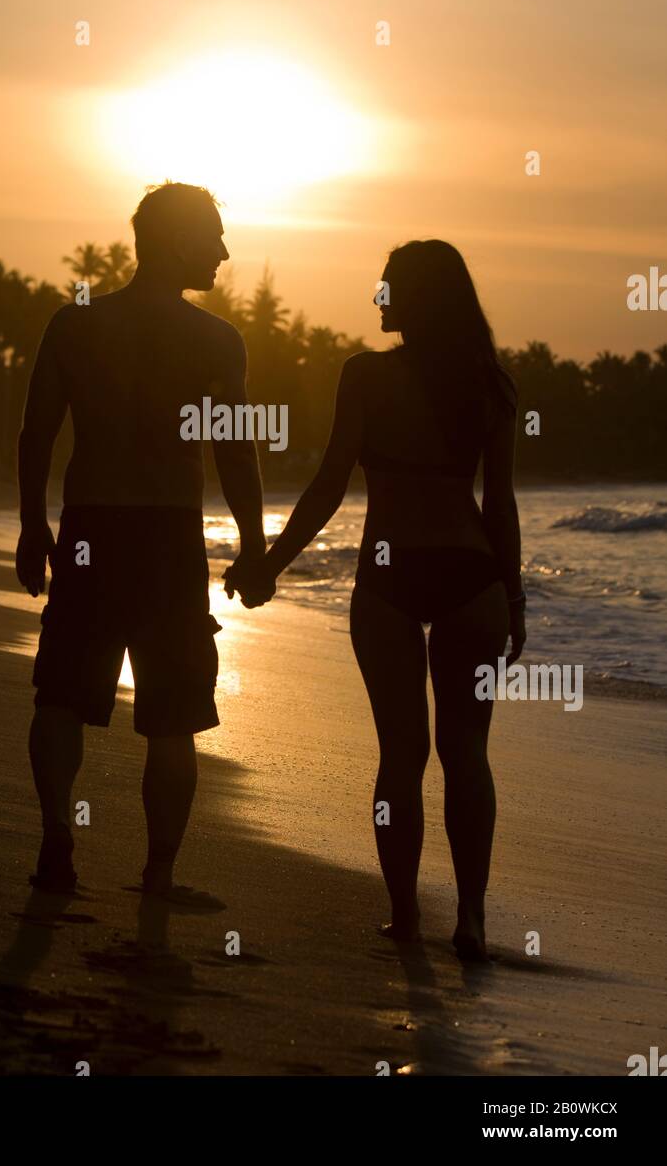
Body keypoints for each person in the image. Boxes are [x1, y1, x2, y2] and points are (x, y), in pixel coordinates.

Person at [226, 239, 525, 961]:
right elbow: (501, 504)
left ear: (418, 296)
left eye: (387, 286)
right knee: (467, 753)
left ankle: (404, 916)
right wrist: (512, 595)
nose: (377, 297)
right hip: (471, 575)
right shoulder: (491, 383)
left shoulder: (364, 377)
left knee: (402, 756)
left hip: (390, 578)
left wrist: (270, 564)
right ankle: (472, 920)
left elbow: (330, 485)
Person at [16, 182, 267, 899]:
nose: (223, 251)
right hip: (166, 541)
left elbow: (38, 434)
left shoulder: (76, 324)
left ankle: (57, 835)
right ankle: (158, 873)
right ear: (179, 242)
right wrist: (252, 546)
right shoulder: (215, 341)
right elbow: (235, 452)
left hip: (91, 531)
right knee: (173, 717)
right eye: (213, 236)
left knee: (60, 695)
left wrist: (35, 524)